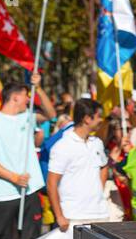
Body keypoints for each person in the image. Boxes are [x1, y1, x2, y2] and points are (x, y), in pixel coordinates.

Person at [0, 77, 51, 239]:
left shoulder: (27, 117)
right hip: (3, 194)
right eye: (27, 96)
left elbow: (51, 114)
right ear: (15, 98)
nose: (29, 99)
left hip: (29, 192)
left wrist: (39, 88)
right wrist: (13, 177)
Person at [47, 99, 110, 231]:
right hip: (73, 217)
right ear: (87, 119)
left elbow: (104, 166)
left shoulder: (97, 142)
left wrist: (99, 190)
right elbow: (52, 183)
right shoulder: (62, 146)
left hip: (100, 214)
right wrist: (59, 216)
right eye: (99, 116)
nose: (101, 120)